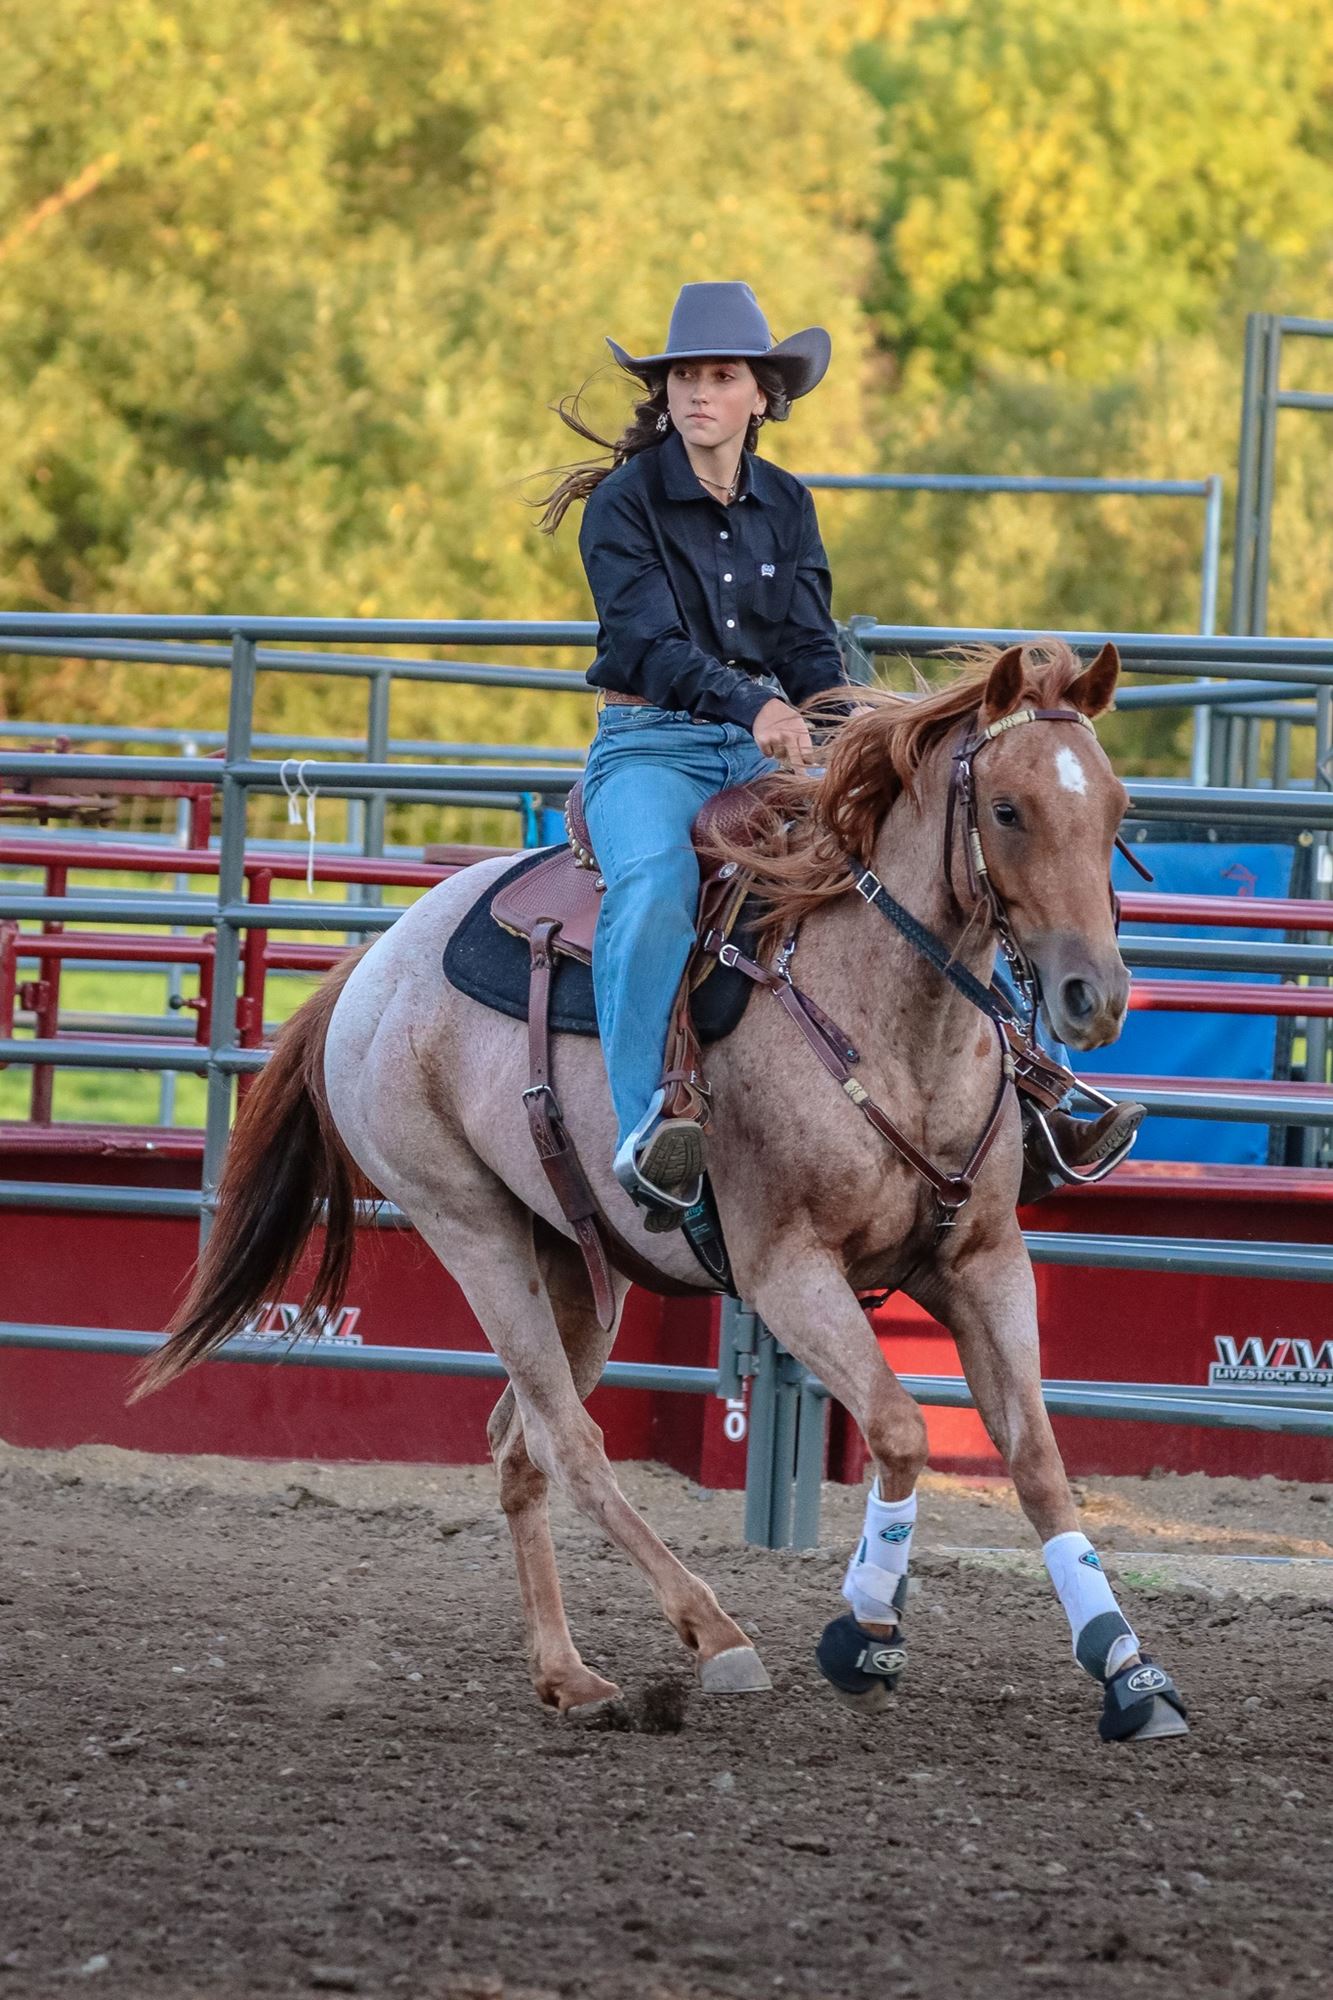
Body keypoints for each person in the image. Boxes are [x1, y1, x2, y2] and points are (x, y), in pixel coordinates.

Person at [538, 281, 1142, 1226]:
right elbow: (645, 643)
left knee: (928, 857)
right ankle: (645, 1129)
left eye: (721, 376)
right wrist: (753, 705)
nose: (699, 393)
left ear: (761, 396)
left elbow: (809, 646)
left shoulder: (787, 503)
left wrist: (838, 723)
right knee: (654, 885)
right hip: (650, 746)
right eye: (684, 377)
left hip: (773, 746)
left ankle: (1034, 1091)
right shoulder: (623, 503)